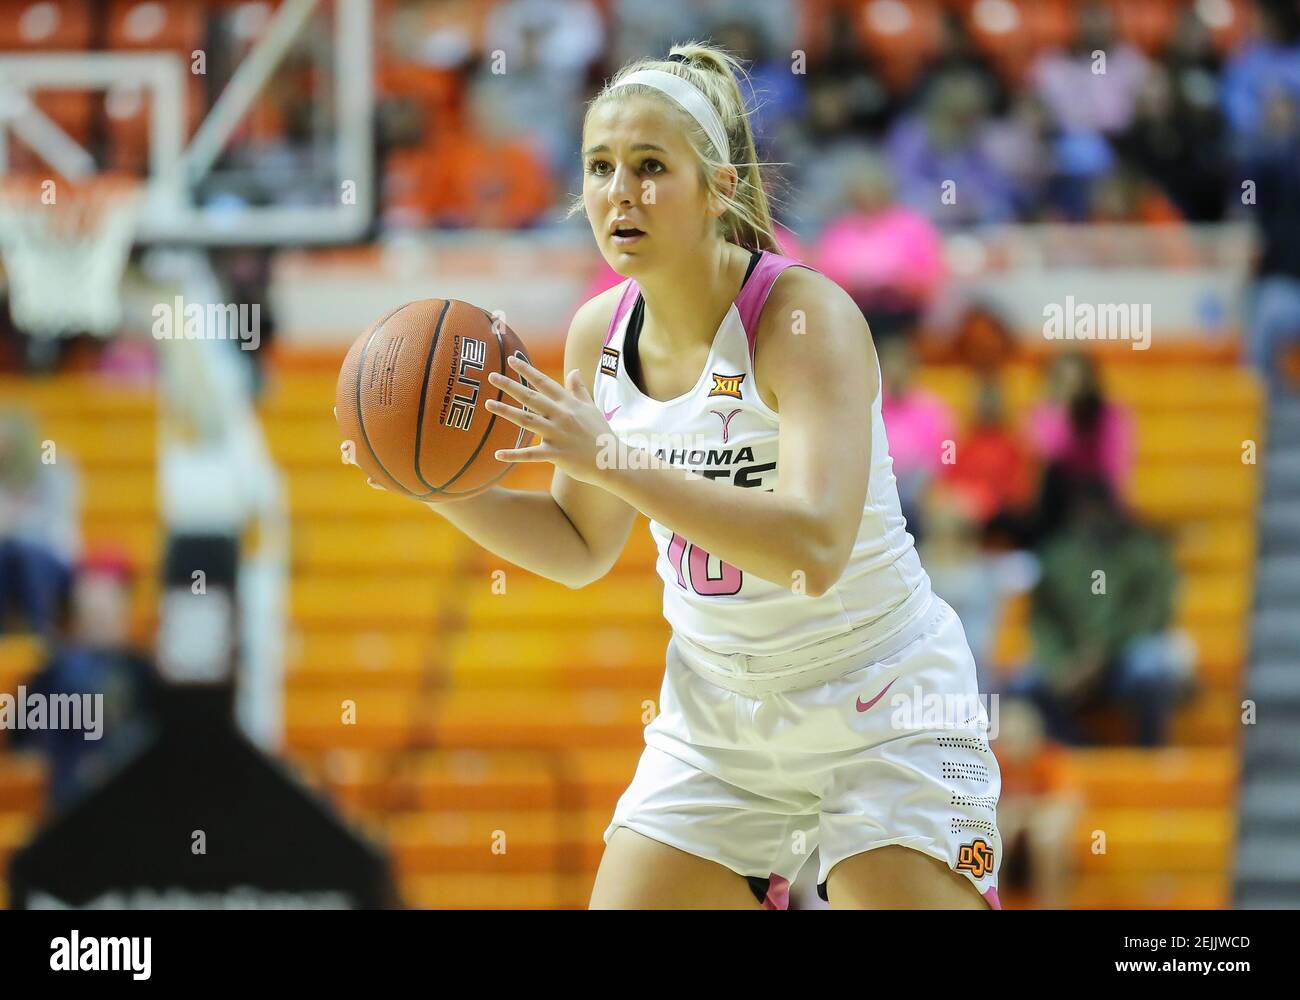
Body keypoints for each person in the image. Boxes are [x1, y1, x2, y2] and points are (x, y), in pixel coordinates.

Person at [355, 41, 1001, 909]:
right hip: (718, 713)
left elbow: (812, 551)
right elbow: (580, 544)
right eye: (600, 166)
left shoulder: (803, 318)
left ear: (718, 187)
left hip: (879, 694)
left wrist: (614, 459)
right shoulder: (598, 333)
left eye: (650, 167)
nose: (619, 191)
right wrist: (440, 488)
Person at [1008, 476, 1191, 747]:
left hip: (1123, 659)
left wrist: (1101, 655)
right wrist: (1062, 665)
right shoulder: (1057, 556)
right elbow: (1044, 621)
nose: (1092, 519)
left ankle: (1150, 752)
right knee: (1023, 682)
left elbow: (1152, 615)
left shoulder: (1144, 551)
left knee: (1151, 667)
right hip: (1073, 662)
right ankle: (1077, 747)